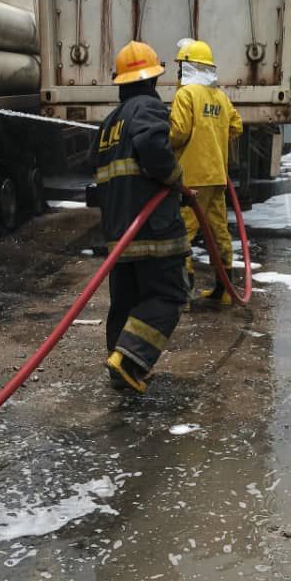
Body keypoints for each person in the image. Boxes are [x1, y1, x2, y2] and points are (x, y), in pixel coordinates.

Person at [90, 40, 189, 395]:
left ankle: (121, 365)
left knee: (126, 301)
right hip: (153, 231)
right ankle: (130, 359)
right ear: (151, 81)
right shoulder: (147, 107)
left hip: (120, 234)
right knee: (170, 294)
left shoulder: (109, 123)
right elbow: (152, 148)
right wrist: (176, 180)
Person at [169, 38, 243, 306]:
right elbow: (237, 127)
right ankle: (224, 291)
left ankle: (183, 294)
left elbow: (178, 132)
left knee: (183, 234)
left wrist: (159, 138)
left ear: (189, 67)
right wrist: (215, 138)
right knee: (218, 232)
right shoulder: (220, 97)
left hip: (192, 177)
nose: (177, 73)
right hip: (217, 176)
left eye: (180, 67)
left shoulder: (186, 95)